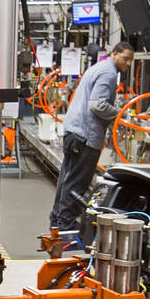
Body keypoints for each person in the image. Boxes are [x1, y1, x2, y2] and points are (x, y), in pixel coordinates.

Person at [48, 42, 134, 232]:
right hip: (85, 136)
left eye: (130, 60)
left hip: (74, 130)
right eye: (126, 58)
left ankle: (57, 221)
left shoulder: (98, 67)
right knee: (78, 182)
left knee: (67, 178)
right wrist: (121, 114)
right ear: (115, 54)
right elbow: (97, 105)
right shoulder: (109, 73)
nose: (128, 64)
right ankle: (66, 226)